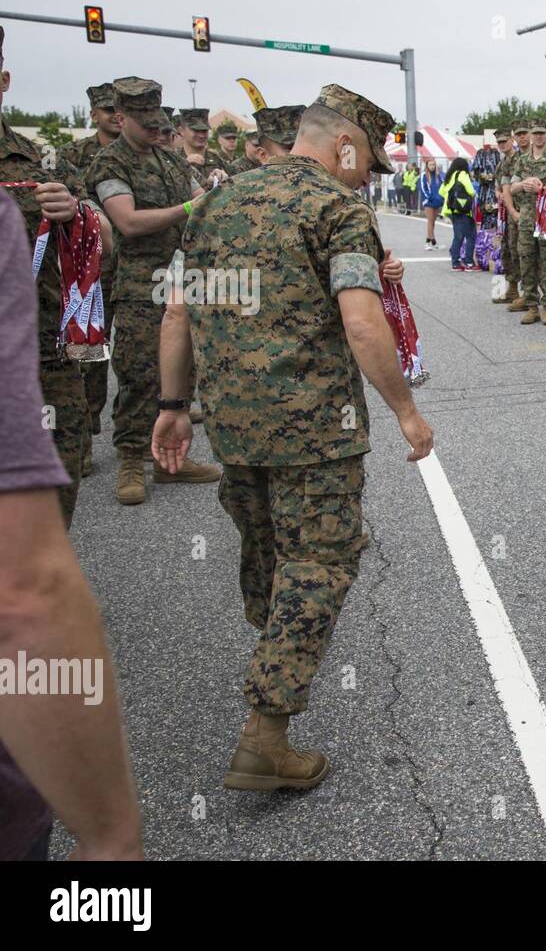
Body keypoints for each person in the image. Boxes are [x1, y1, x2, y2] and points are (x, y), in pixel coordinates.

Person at [152, 84, 433, 792]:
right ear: (343, 145)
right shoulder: (336, 208)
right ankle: (266, 734)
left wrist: (172, 404)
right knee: (319, 562)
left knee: (273, 560)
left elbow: (179, 311)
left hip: (237, 430)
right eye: (368, 161)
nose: (368, 177)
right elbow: (363, 322)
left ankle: (277, 651)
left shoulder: (216, 202)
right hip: (317, 434)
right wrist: (405, 410)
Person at [0, 192, 142, 861]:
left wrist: (83, 211)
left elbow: (110, 237)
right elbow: (19, 595)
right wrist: (110, 840)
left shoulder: (42, 174)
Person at [86, 77, 224, 506]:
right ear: (122, 117)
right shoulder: (110, 165)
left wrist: (217, 191)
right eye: (145, 123)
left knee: (182, 369)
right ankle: (131, 458)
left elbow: (203, 198)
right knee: (141, 372)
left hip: (183, 279)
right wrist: (188, 208)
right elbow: (126, 221)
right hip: (139, 282)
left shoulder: (171, 163)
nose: (153, 130)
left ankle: (172, 461)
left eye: (158, 122)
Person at [1, 33, 115, 524]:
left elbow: (105, 237)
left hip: (43, 364)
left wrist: (76, 213)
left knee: (49, 506)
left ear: (4, 81)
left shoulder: (40, 162)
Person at [59, 82, 122, 478]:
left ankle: (110, 426)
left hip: (126, 267)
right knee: (86, 355)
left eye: (118, 108)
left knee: (120, 356)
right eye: (105, 109)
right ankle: (81, 439)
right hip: (83, 273)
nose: (113, 115)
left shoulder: (144, 153)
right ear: (93, 114)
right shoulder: (72, 155)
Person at [506, 118, 546, 325]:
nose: (539, 136)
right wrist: (524, 184)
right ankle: (532, 306)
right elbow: (512, 188)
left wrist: (543, 189)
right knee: (527, 261)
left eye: (542, 133)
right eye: (535, 133)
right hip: (526, 220)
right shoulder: (522, 161)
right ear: (531, 136)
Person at [495, 120, 529, 305]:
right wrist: (499, 194)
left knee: (522, 251)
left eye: (505, 141)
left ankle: (526, 291)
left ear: (511, 140)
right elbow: (498, 188)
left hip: (521, 209)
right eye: (499, 142)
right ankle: (513, 287)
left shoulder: (520, 160)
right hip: (507, 213)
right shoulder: (501, 165)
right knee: (508, 250)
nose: (502, 145)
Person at [440, 156, 477, 270]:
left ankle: (457, 260)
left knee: (459, 235)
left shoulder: (450, 176)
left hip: (451, 210)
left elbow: (441, 191)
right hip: (462, 210)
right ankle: (466, 262)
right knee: (468, 235)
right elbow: (471, 191)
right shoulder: (462, 174)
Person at [176, 108, 227, 181]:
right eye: (195, 130)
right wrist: (184, 165)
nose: (201, 135)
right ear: (181, 130)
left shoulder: (217, 160)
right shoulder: (174, 159)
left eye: (204, 130)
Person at [418, 159, 443, 250]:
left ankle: (433, 242)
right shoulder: (424, 175)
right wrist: (430, 197)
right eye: (430, 165)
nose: (432, 166)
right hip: (429, 202)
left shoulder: (438, 175)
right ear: (427, 166)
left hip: (437, 201)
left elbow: (442, 187)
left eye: (433, 165)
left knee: (433, 222)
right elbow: (423, 187)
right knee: (430, 221)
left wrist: (441, 198)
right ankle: (427, 243)